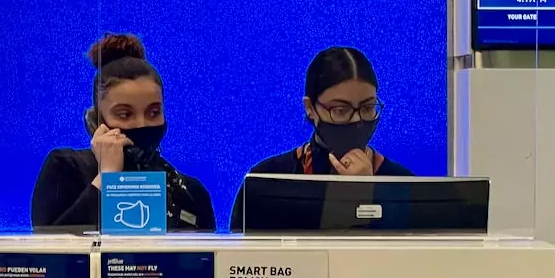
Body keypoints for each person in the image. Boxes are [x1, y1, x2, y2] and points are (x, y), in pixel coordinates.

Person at [31, 33, 215, 231]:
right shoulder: (66, 168)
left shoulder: (191, 193)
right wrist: (107, 178)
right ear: (97, 120)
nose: (141, 124)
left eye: (153, 112)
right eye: (125, 114)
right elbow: (54, 256)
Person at [231, 46, 412, 230]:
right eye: (340, 110)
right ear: (310, 108)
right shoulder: (266, 182)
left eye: (367, 108)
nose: (357, 120)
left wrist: (367, 194)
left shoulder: (405, 187)